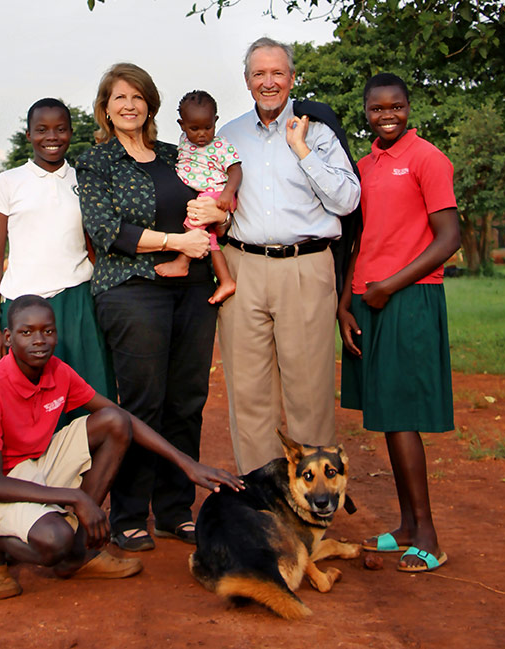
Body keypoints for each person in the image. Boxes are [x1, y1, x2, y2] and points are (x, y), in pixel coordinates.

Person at [0, 295, 242, 599]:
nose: (39, 341)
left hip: (34, 465)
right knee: (56, 540)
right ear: (8, 338)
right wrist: (76, 497)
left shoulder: (57, 371)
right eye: (26, 332)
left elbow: (121, 418)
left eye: (47, 331)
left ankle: (76, 552)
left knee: (115, 422)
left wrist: (186, 463)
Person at [187, 37, 361, 474]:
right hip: (242, 268)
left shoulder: (317, 132)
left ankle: (313, 499)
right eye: (259, 74)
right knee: (248, 393)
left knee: (309, 392)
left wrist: (302, 149)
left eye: (278, 73)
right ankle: (261, 500)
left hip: (305, 267)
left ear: (292, 78)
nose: (269, 82)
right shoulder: (228, 136)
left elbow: (347, 201)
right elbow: (215, 199)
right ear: (247, 81)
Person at [76, 63, 230, 552]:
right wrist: (175, 242)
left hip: (193, 289)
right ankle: (127, 514)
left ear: (151, 104)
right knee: (143, 403)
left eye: (137, 97)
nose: (129, 105)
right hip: (131, 288)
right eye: (119, 97)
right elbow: (106, 231)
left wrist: (218, 213)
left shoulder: (175, 154)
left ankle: (174, 510)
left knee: (187, 400)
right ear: (105, 108)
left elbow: (211, 198)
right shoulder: (96, 162)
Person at [337, 73, 460, 573]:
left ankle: (427, 535)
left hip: (409, 297)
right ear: (365, 112)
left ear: (409, 107)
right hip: (368, 299)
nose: (387, 115)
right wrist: (345, 302)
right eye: (377, 108)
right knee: (388, 414)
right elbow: (359, 238)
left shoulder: (428, 159)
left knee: (403, 415)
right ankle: (407, 527)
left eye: (396, 106)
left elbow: (449, 237)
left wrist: (390, 285)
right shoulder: (363, 166)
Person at [0, 97, 116, 427]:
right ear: (28, 134)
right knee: (33, 409)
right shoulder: (8, 182)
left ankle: (93, 463)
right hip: (23, 306)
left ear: (71, 132)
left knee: (93, 400)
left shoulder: (84, 179)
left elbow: (95, 244)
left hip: (78, 300)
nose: (51, 137)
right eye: (41, 130)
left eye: (60, 129)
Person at [154, 90, 241, 305]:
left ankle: (182, 262)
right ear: (182, 125)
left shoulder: (220, 145)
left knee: (192, 224)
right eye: (194, 128)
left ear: (215, 121)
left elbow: (236, 170)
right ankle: (226, 280)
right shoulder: (184, 141)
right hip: (202, 194)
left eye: (208, 127)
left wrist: (227, 194)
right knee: (210, 241)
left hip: (216, 194)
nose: (202, 134)